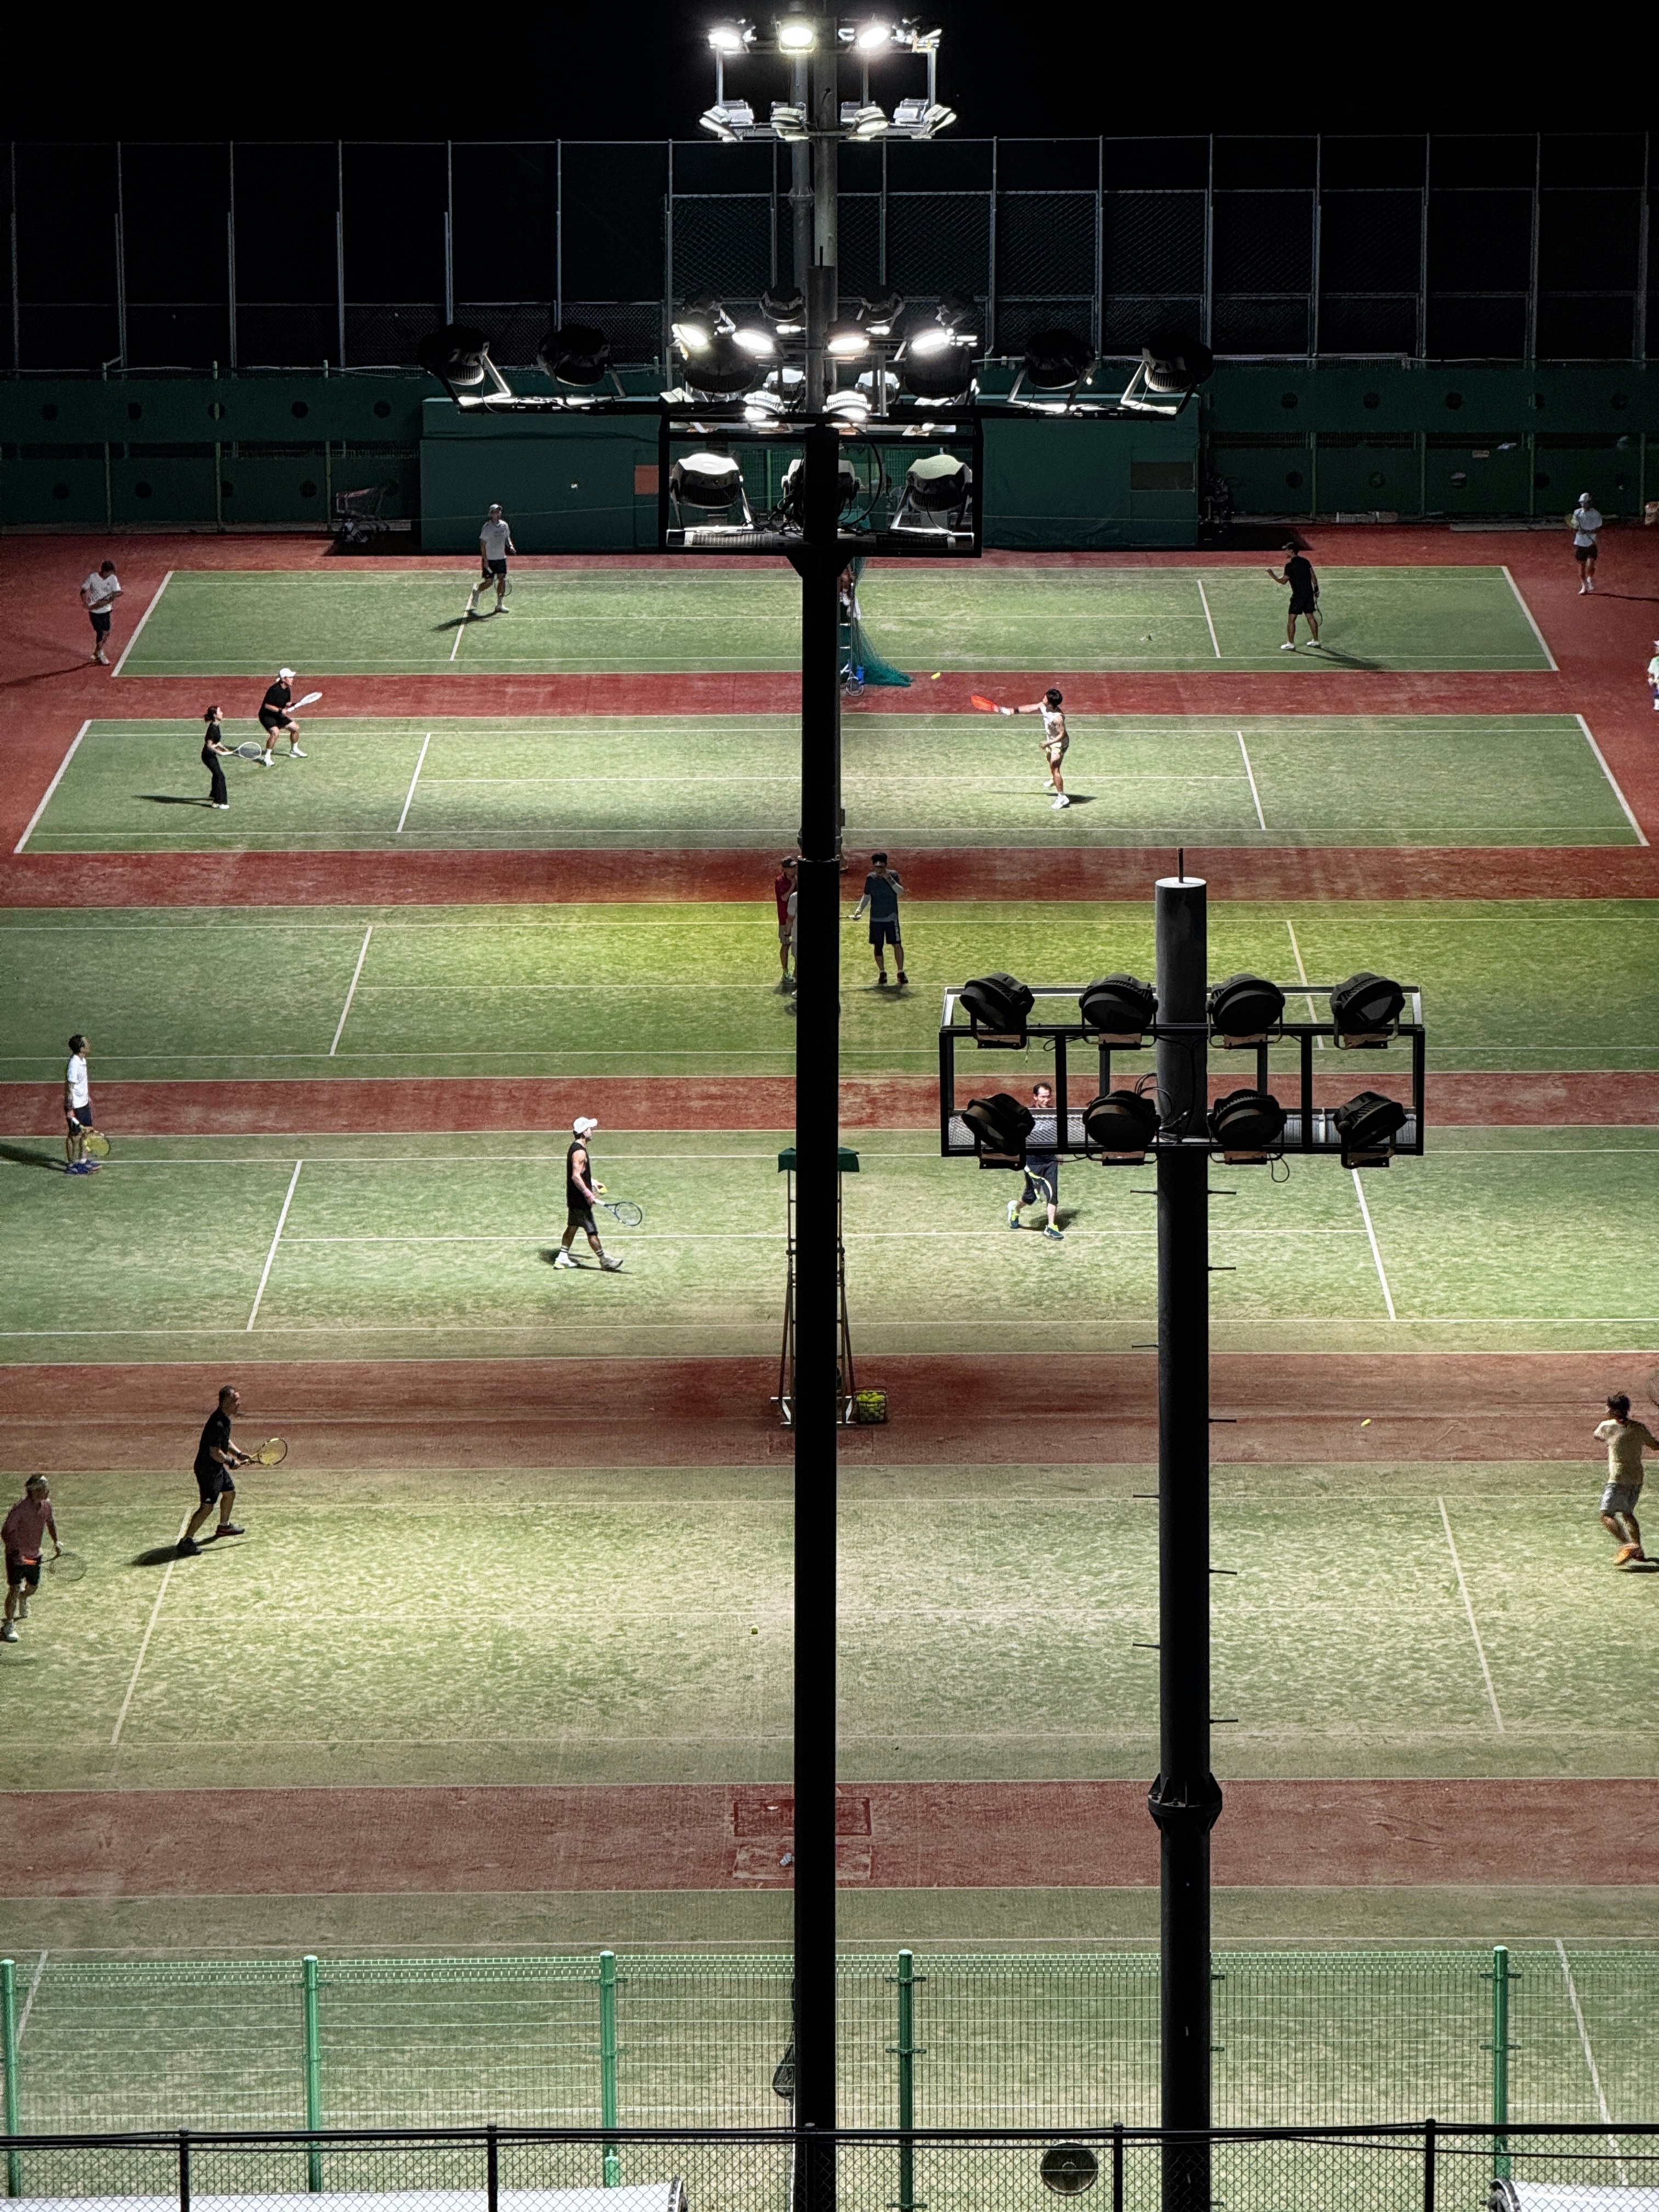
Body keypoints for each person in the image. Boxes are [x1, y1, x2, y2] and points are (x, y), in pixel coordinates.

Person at [178, 1385, 251, 1556]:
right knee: (207, 1507)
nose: (239, 1404)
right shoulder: (217, 1423)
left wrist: (239, 1454)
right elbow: (215, 1452)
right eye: (236, 1400)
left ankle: (224, 1527)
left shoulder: (225, 1419)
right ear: (226, 1402)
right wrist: (231, 1462)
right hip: (208, 1469)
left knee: (230, 1493)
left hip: (216, 1467)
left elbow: (225, 1442)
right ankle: (186, 1540)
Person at [1594, 1392, 1658, 1566]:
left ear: (1614, 1410)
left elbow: (1597, 1436)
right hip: (1637, 1478)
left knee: (1606, 1515)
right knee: (1627, 1513)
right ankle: (1638, 1549)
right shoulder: (1640, 1429)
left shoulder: (1606, 1427)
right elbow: (1656, 1446)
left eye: (1608, 1407)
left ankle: (1628, 1544)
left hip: (1618, 1478)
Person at [554, 1116, 624, 1272]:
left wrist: (592, 1182)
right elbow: (575, 1176)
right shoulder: (580, 1152)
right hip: (580, 1200)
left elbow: (581, 1174)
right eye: (589, 1129)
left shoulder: (576, 1147)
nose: (592, 1131)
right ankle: (604, 1260)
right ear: (583, 1133)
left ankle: (562, 1257)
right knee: (592, 1231)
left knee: (572, 1227)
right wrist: (588, 1194)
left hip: (574, 1198)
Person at [2, 1477, 61, 1644]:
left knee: (33, 1587)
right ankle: (9, 1625)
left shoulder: (47, 1505)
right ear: (35, 1491)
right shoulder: (20, 1509)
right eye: (44, 1488)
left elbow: (50, 1522)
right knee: (14, 1588)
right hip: (17, 1557)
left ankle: (24, 1597)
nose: (48, 1490)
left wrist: (56, 1542)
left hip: (33, 1557)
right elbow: (6, 1532)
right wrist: (15, 1552)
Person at [1007, 1080, 1063, 1241]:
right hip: (1032, 1161)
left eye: (1049, 1097)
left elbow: (1057, 1135)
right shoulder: (1026, 1114)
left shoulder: (1054, 1113)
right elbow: (1018, 1136)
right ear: (1035, 1097)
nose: (1047, 1100)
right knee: (1030, 1198)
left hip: (1050, 1160)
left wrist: (1059, 1154)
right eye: (1043, 1097)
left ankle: (1051, 1226)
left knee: (1052, 1194)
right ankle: (1016, 1208)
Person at [998, 687, 1071, 810]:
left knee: (1055, 767)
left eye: (1045, 698)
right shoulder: (1044, 706)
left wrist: (1049, 744)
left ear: (1050, 703)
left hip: (1059, 743)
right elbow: (1030, 708)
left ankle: (1062, 797)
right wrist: (1013, 711)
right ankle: (1054, 779)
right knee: (1050, 761)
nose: (1043, 698)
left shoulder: (1058, 718)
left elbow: (1062, 735)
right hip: (1050, 741)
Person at [850, 852, 907, 989]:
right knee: (878, 946)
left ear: (886, 866)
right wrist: (859, 910)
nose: (879, 870)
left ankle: (900, 972)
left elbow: (901, 892)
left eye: (882, 868)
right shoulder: (871, 878)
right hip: (876, 919)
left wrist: (889, 879)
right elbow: (867, 896)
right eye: (877, 868)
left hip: (891, 918)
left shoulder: (893, 875)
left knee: (897, 944)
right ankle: (882, 972)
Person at [1267, 543, 1322, 650]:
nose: (1285, 552)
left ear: (1292, 551)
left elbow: (1283, 581)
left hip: (1298, 597)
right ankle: (1316, 641)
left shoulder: (1290, 566)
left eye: (1287, 550)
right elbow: (1313, 577)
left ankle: (1290, 644)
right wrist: (1316, 590)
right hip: (1309, 594)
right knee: (1310, 617)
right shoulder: (1306, 562)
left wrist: (1272, 575)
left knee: (1291, 620)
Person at [468, 504, 515, 617]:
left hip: (501, 559)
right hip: (490, 559)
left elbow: (507, 538)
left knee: (502, 579)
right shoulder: (487, 527)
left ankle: (499, 605)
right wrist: (485, 560)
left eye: (499, 512)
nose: (497, 514)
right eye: (495, 512)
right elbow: (483, 545)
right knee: (489, 583)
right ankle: (477, 591)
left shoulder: (504, 525)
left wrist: (511, 546)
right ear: (491, 514)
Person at [64, 1032, 99, 1176]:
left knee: (87, 1131)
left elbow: (80, 1084)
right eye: (86, 1043)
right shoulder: (74, 1064)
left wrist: (87, 1096)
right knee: (74, 1136)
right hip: (75, 1106)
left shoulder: (82, 1060)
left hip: (83, 1103)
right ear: (81, 1048)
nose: (89, 1044)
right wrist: (70, 1109)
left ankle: (82, 1162)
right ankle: (71, 1165)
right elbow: (70, 1087)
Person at [257, 669, 308, 765]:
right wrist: (281, 710)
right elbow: (267, 706)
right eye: (290, 677)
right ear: (284, 679)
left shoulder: (287, 689)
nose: (293, 679)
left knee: (295, 728)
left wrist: (294, 704)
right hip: (267, 716)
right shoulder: (274, 690)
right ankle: (266, 757)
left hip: (278, 715)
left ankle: (294, 750)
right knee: (275, 733)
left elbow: (287, 703)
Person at [80, 560, 122, 665]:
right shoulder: (93, 577)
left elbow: (117, 592)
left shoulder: (113, 578)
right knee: (101, 633)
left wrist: (108, 599)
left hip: (106, 610)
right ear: (104, 571)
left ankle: (97, 651)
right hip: (95, 611)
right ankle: (101, 653)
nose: (112, 575)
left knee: (107, 633)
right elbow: (83, 591)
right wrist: (85, 603)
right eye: (110, 572)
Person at [774, 856, 798, 992]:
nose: (794, 869)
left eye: (795, 867)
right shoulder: (780, 882)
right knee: (786, 944)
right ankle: (785, 971)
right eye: (791, 867)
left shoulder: (797, 879)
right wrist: (794, 885)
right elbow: (784, 898)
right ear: (785, 869)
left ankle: (796, 973)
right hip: (785, 920)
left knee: (797, 946)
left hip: (797, 920)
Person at [201, 706, 233, 811]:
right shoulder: (213, 728)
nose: (222, 713)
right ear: (215, 715)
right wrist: (219, 752)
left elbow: (217, 742)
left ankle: (214, 798)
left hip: (211, 755)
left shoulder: (216, 725)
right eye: (220, 712)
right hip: (207, 756)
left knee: (217, 774)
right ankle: (221, 802)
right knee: (220, 776)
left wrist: (225, 749)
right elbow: (209, 746)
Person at [1571, 494, 1603, 592]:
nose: (1584, 504)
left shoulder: (1596, 514)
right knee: (1582, 564)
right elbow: (1574, 526)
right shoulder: (1577, 513)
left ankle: (1590, 578)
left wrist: (1590, 531)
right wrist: (1578, 529)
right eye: (1582, 503)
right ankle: (1584, 585)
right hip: (1580, 542)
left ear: (1589, 503)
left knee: (1591, 563)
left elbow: (1599, 527)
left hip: (1591, 542)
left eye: (1586, 502)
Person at [1648, 640, 1659, 713]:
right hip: (1657, 681)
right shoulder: (1654, 660)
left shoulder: (1654, 660)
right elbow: (1650, 671)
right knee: (1657, 692)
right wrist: (1650, 678)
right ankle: (1657, 705)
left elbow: (1650, 671)